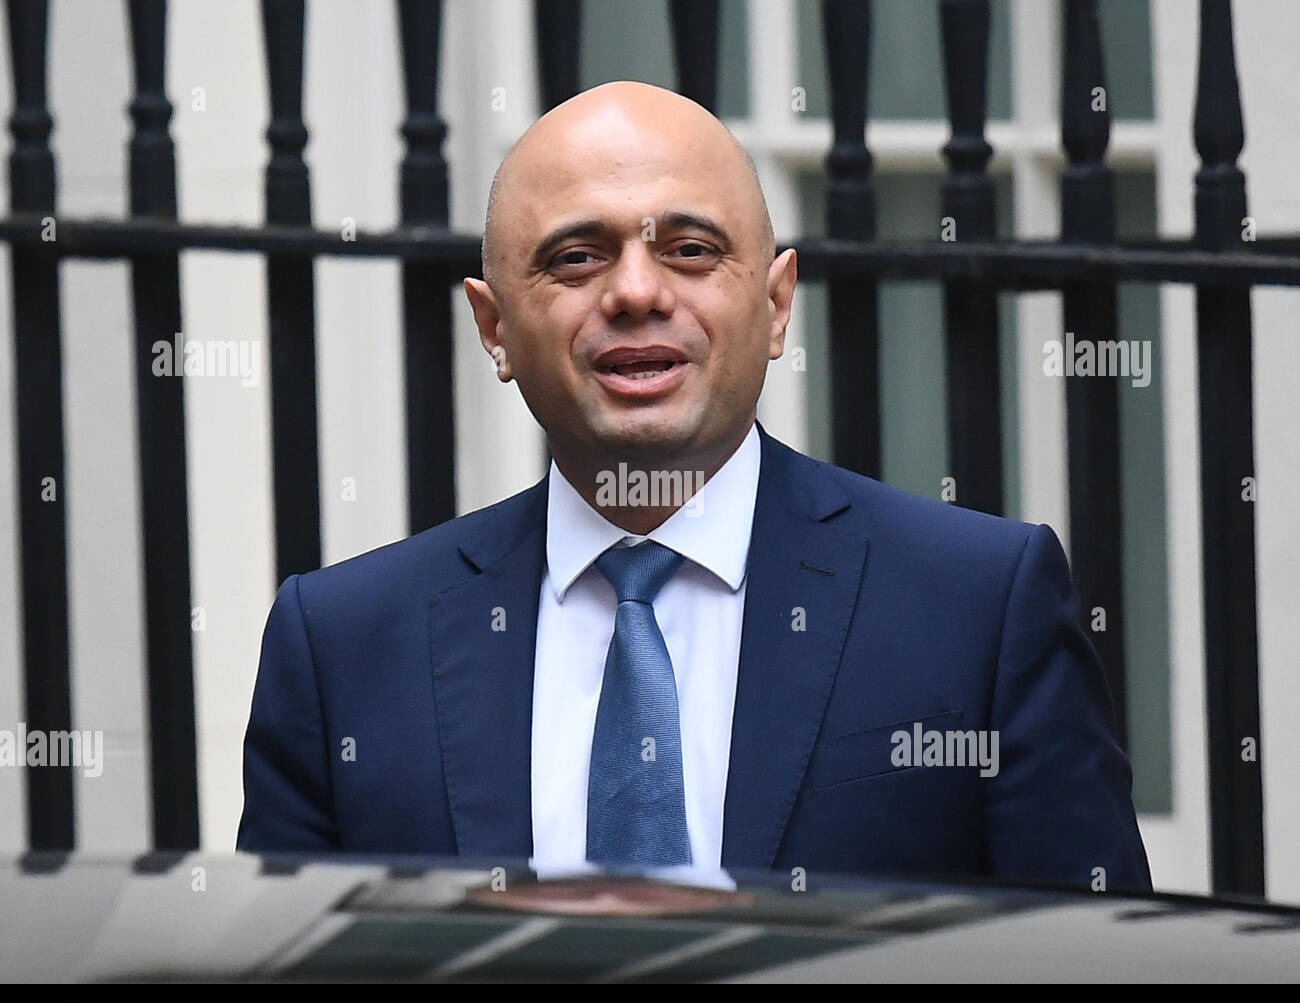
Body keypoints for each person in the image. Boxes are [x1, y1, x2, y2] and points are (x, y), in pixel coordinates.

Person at [236, 81, 1152, 891]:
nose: (636, 291)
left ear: (777, 302)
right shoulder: (343, 648)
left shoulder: (979, 605)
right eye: (575, 257)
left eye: (691, 249)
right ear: (494, 326)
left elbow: (1106, 976)